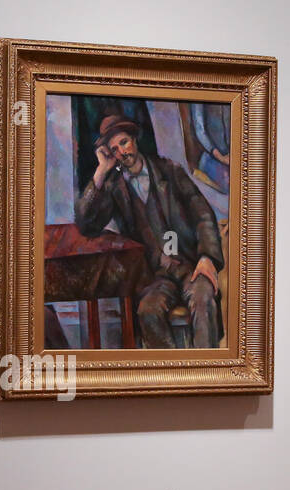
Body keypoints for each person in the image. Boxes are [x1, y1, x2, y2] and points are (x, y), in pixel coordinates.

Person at [75, 113, 224, 348]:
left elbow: (203, 215)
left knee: (204, 298)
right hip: (153, 277)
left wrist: (207, 257)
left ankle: (207, 374)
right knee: (147, 311)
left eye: (124, 142)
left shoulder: (170, 171)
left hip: (188, 265)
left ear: (134, 138)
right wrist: (101, 173)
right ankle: (169, 377)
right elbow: (85, 224)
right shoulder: (115, 188)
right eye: (114, 150)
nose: (122, 152)